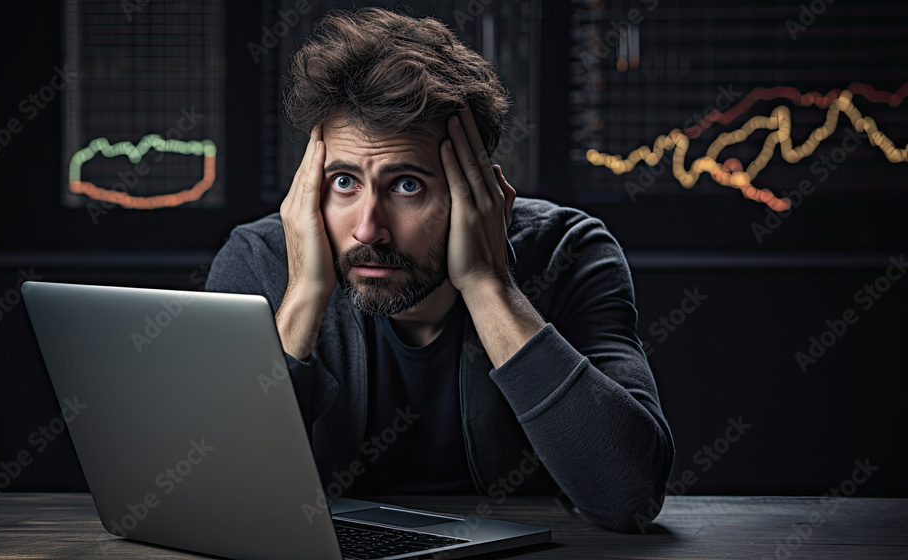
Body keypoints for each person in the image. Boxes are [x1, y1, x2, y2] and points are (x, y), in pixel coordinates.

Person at [206, 7, 673, 533]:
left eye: (407, 184)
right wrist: (306, 296)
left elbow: (628, 495)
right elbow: (212, 494)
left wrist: (488, 285)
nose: (367, 230)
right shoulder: (260, 261)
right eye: (343, 182)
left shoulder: (570, 253)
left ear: (478, 193)